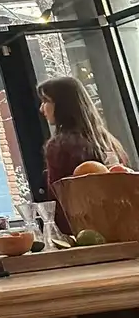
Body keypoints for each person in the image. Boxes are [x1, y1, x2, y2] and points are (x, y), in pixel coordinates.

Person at [38, 76, 129, 232]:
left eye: (46, 101)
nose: (42, 108)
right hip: (118, 228)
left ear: (63, 105)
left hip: (82, 233)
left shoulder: (60, 145)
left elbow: (61, 201)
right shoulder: (109, 142)